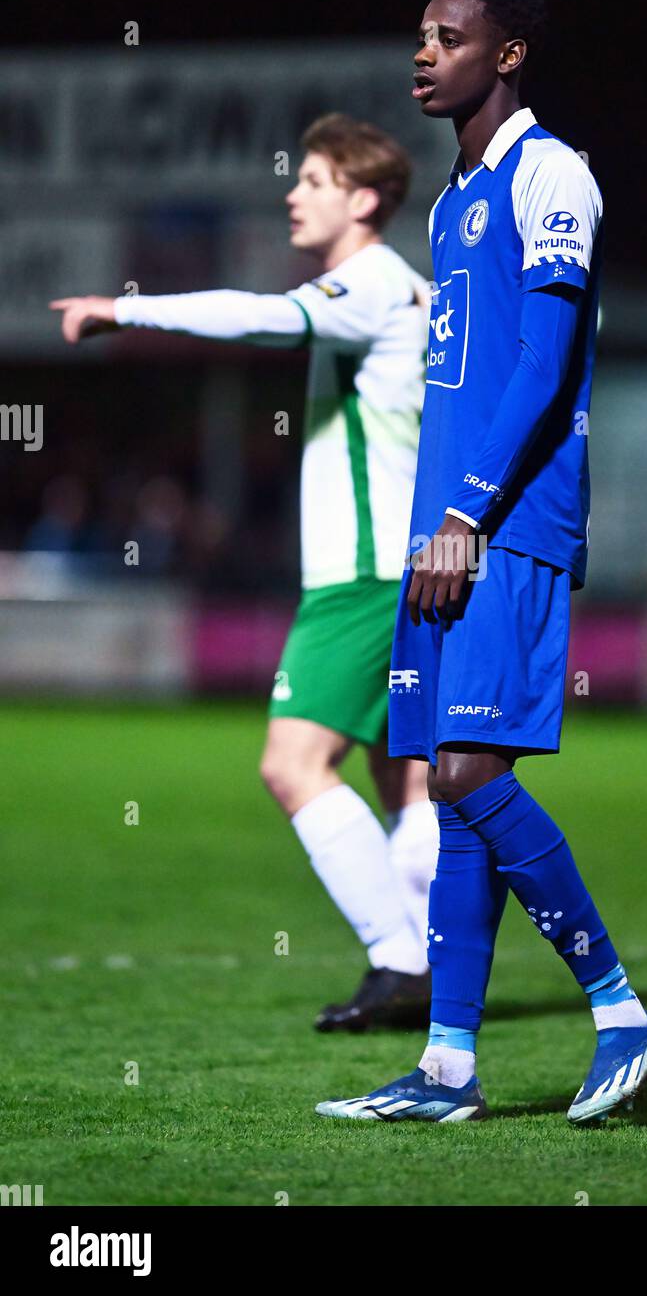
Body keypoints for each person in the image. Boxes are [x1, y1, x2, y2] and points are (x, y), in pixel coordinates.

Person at [316, 0, 647, 1123]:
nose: (422, 55)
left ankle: (621, 1011)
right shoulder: (449, 201)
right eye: (418, 35)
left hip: (505, 526)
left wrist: (468, 512)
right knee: (461, 789)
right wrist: (432, 523)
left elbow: (541, 363)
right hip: (444, 534)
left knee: (468, 776)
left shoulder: (550, 172)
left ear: (505, 55)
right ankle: (446, 1067)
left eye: (448, 38)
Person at [51, 113, 440, 1032]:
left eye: (312, 179)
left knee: (292, 764)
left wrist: (125, 307)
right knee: (405, 781)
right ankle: (437, 973)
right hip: (407, 570)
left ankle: (404, 960)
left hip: (363, 577)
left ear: (366, 197)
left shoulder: (370, 285)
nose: (292, 193)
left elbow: (266, 317)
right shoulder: (419, 293)